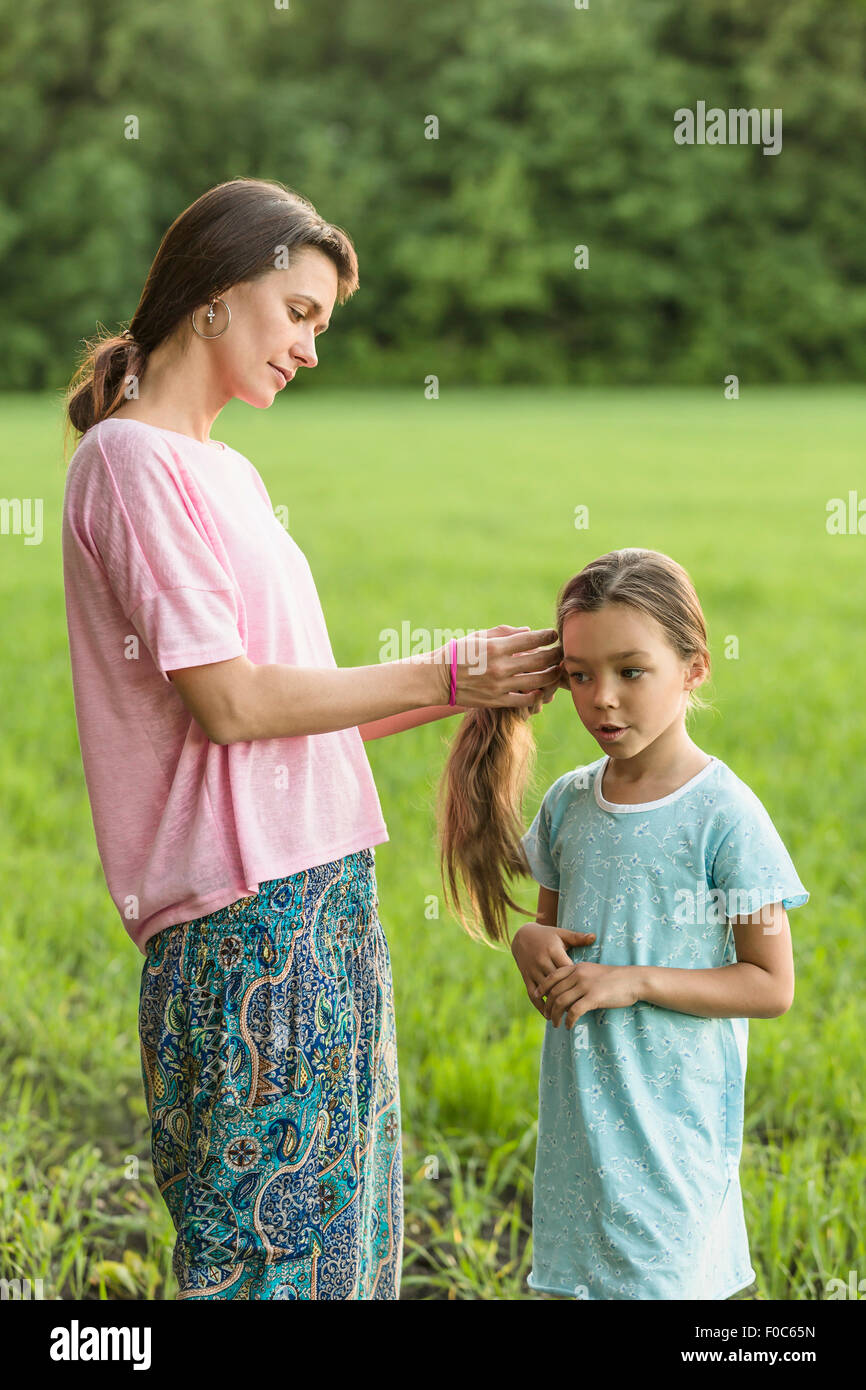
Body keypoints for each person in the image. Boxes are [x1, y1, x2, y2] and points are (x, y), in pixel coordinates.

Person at [60, 176, 563, 1301]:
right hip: (241, 924)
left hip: (325, 896)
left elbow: (297, 712)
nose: (311, 348)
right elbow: (230, 705)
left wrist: (464, 684)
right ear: (214, 297)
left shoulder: (229, 471)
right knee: (265, 1263)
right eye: (300, 313)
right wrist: (442, 666)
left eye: (320, 325)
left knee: (345, 1248)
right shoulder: (130, 464)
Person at [437, 547, 809, 1300]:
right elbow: (556, 954)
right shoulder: (570, 805)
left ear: (694, 667)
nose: (601, 699)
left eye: (631, 672)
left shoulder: (725, 816)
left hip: (672, 1143)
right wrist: (527, 942)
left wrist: (633, 981)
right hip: (581, 1147)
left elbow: (771, 984)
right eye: (580, 674)